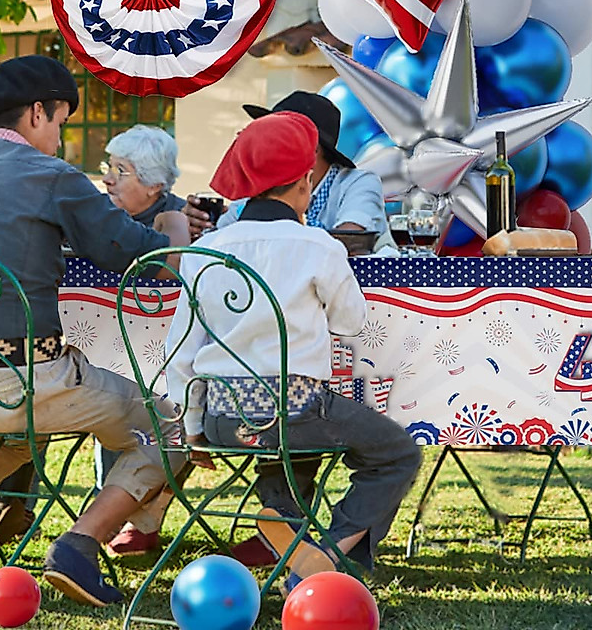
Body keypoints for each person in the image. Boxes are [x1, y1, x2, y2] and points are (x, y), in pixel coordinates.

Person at [0, 55, 193, 606]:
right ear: (36, 113)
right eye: (59, 121)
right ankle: (79, 547)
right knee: (169, 427)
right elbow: (133, 255)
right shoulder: (50, 175)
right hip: (25, 381)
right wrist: (174, 230)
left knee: (3, 440)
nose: (60, 136)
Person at [165, 112, 420, 583]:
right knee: (397, 453)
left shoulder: (208, 250)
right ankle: (325, 556)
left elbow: (180, 350)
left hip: (225, 419)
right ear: (305, 182)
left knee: (288, 450)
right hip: (297, 412)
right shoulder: (318, 246)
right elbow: (350, 323)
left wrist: (193, 427)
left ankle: (283, 523)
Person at [97, 125, 188, 558]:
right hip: (103, 344)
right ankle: (114, 508)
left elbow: (172, 269)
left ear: (154, 184)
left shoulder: (178, 216)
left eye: (121, 171)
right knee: (109, 392)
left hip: (169, 354)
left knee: (162, 409)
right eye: (108, 167)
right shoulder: (96, 212)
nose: (108, 179)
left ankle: (135, 516)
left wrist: (176, 226)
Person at [224, 91, 390, 247]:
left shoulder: (358, 183)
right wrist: (202, 223)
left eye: (277, 139)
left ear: (313, 148)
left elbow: (350, 240)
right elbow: (222, 236)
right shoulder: (262, 180)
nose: (264, 145)